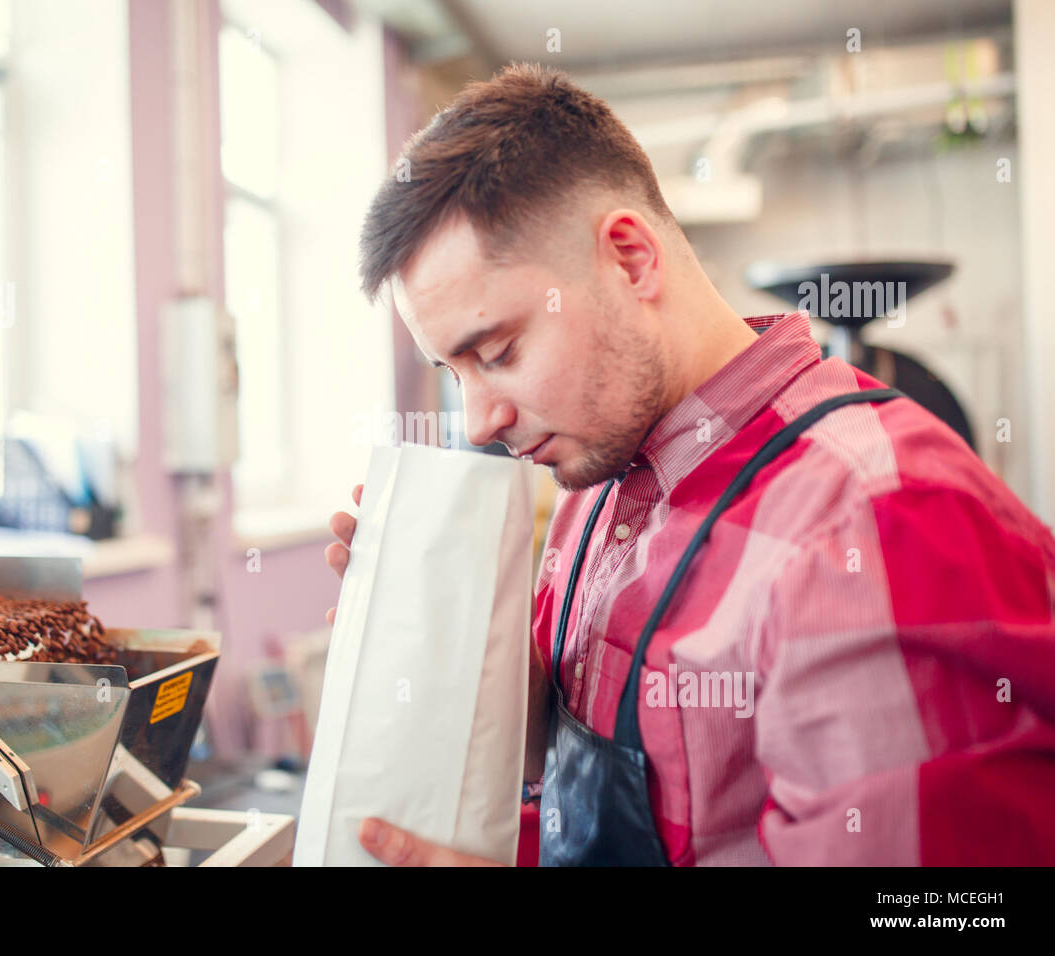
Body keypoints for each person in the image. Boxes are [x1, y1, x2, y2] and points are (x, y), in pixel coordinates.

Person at [324, 63, 1055, 866]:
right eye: (451, 372)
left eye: (497, 352)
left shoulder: (880, 519)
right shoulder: (594, 487)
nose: (480, 420)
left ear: (631, 259)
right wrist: (473, 669)